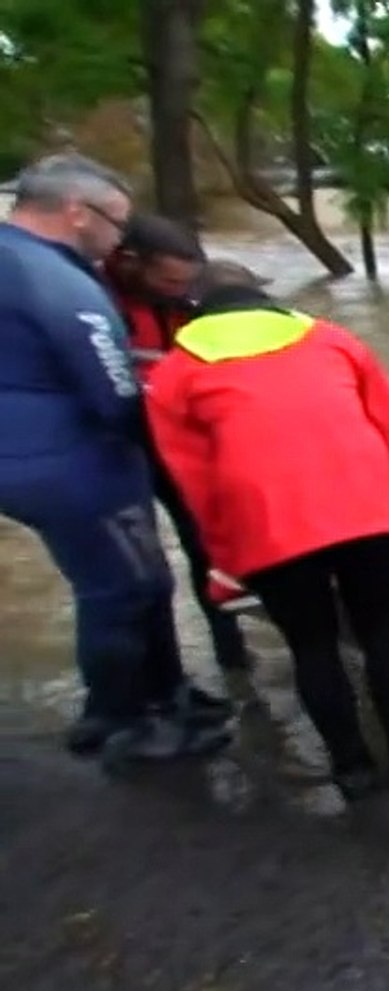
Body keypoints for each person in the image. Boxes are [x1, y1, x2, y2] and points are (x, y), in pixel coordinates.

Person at [142, 262, 389, 799]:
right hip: (371, 513)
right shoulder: (336, 342)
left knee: (312, 647)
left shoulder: (172, 375)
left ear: (191, 310)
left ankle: (352, 770)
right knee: (383, 635)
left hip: (271, 531)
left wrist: (225, 566)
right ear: (265, 296)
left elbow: (197, 488)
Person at [0, 153, 233, 768]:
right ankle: (126, 722)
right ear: (79, 213)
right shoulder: (65, 285)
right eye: (118, 223)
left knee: (131, 580)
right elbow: (114, 394)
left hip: (20, 457)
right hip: (75, 464)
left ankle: (163, 695)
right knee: (126, 589)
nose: (121, 240)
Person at [102, 212, 257, 679]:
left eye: (186, 282)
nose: (179, 290)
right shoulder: (92, 300)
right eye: (169, 281)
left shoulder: (189, 302)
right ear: (130, 263)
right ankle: (156, 676)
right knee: (136, 564)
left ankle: (231, 654)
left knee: (206, 543)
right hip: (115, 445)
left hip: (176, 439)